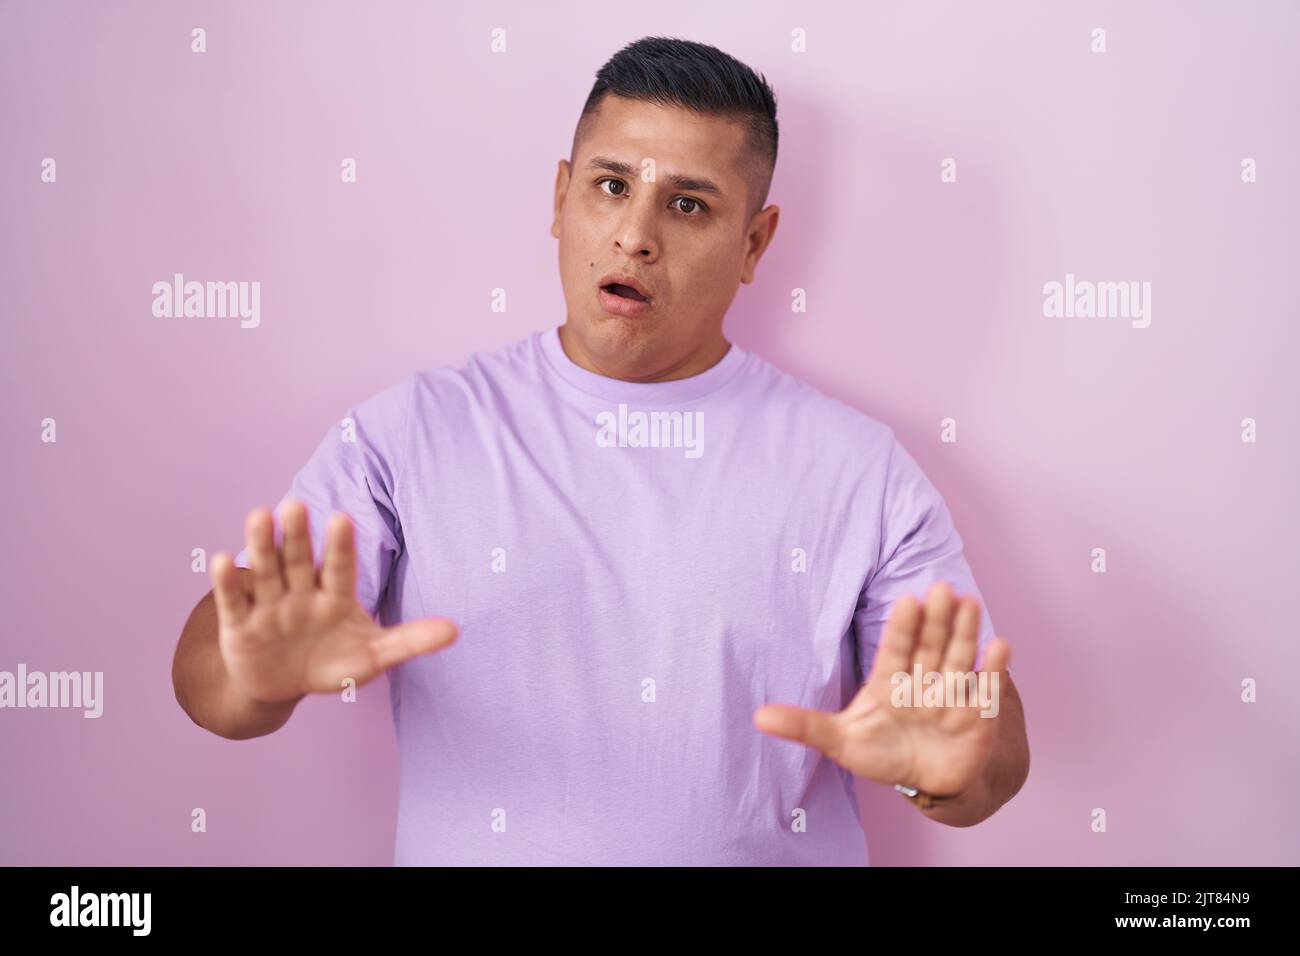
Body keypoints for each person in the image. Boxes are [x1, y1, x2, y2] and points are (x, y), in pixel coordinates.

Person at [172, 35, 1029, 866]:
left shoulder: (858, 470)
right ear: (560, 198)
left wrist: (946, 772)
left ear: (755, 245)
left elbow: (986, 757)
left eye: (687, 204)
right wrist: (258, 678)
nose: (635, 236)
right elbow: (212, 683)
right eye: (611, 186)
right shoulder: (406, 437)